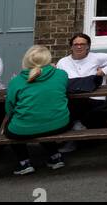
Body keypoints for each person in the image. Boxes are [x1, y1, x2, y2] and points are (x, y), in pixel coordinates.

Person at [5, 45, 71, 175]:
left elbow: (9, 108)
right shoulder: (61, 74)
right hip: (60, 124)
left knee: (10, 126)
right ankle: (55, 156)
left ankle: (24, 163)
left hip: (25, 129)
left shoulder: (16, 81)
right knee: (46, 118)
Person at [56, 33, 107, 150]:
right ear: (71, 47)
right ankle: (74, 133)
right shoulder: (63, 62)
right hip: (72, 101)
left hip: (95, 100)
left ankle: (76, 131)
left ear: (88, 46)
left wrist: (104, 71)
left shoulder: (96, 57)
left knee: (79, 107)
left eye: (82, 44)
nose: (79, 47)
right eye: (76, 44)